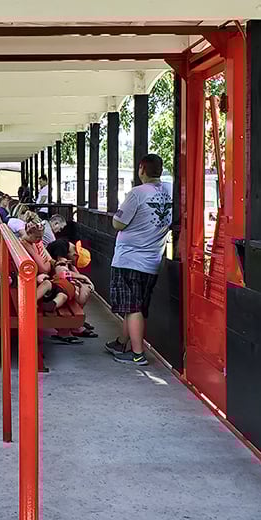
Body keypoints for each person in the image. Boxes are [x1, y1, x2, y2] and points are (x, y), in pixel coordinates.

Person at [106, 153, 173, 366]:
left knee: (132, 307)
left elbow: (118, 223)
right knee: (135, 306)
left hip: (129, 259)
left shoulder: (137, 193)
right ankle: (121, 342)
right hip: (152, 259)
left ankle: (137, 354)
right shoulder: (170, 190)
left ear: (141, 169)